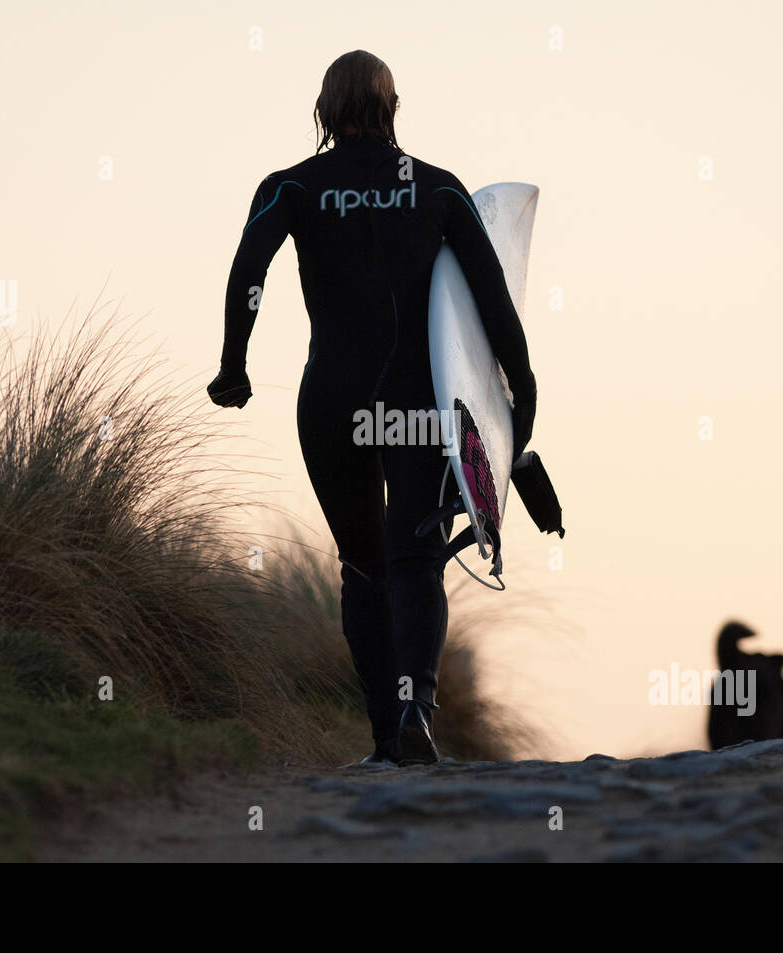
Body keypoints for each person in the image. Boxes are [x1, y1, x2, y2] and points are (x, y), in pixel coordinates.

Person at [208, 50, 537, 765]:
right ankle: (419, 704)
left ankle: (386, 737)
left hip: (333, 401)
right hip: (419, 405)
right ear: (394, 108)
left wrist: (234, 364)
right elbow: (493, 305)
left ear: (324, 112)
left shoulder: (292, 185)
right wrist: (521, 399)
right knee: (415, 559)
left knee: (361, 566)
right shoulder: (441, 192)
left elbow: (248, 272)